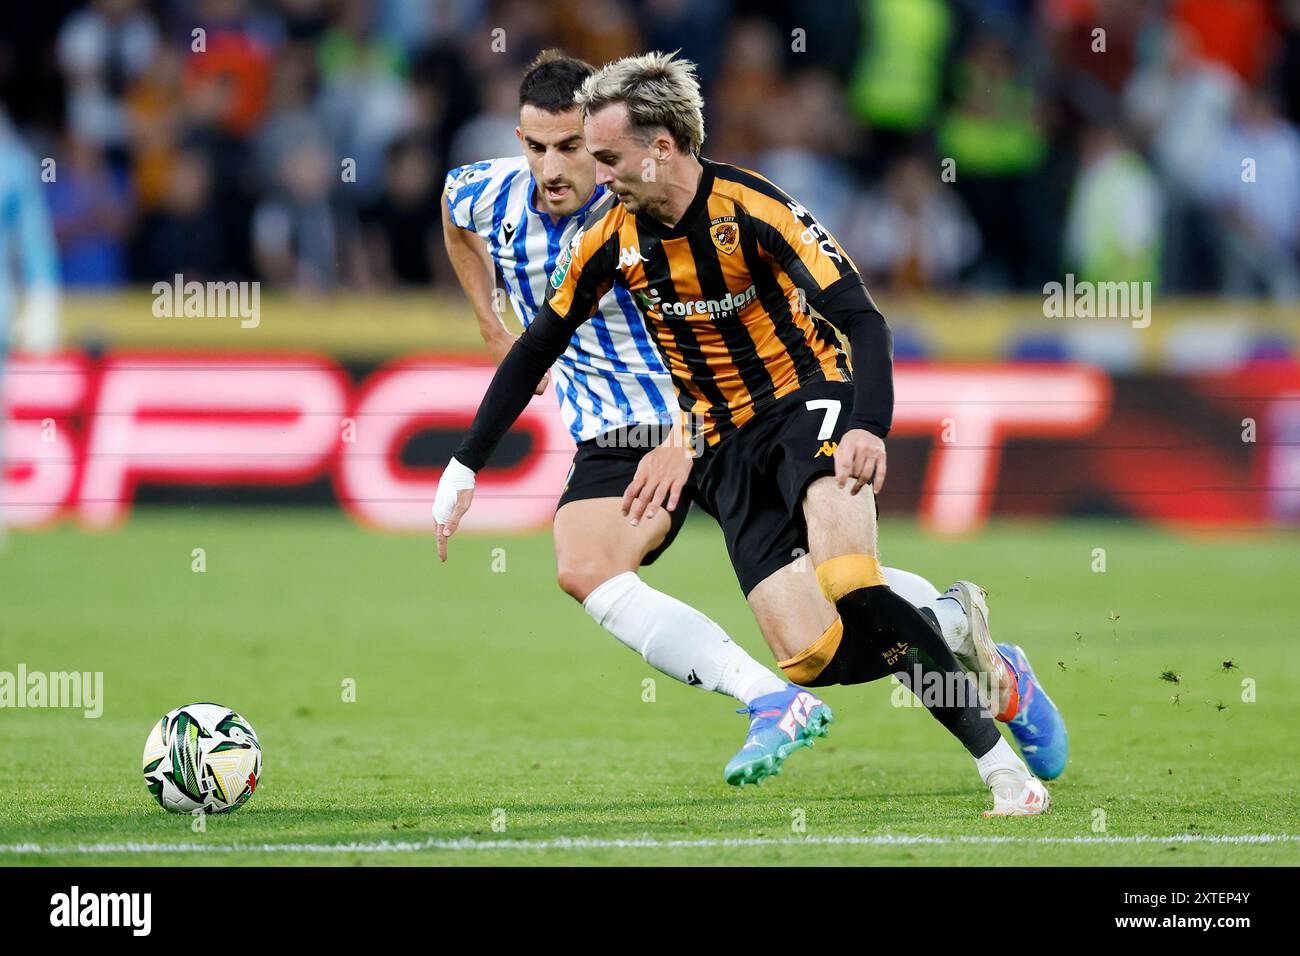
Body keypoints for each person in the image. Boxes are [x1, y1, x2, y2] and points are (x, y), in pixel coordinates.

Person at [437, 52, 1065, 808]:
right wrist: (467, 462)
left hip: (807, 397)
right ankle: (952, 621)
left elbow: (863, 318)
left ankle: (1001, 767)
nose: (597, 178)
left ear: (660, 147)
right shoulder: (612, 240)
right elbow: (539, 343)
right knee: (809, 653)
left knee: (849, 580)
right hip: (722, 433)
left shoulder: (754, 210)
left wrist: (868, 424)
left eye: (605, 157)